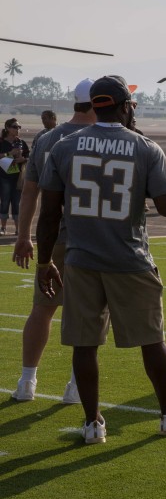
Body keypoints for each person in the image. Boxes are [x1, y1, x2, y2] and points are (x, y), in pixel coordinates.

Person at [35, 75, 166, 443]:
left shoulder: (64, 147)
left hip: (80, 257)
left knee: (84, 343)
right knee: (152, 339)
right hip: (129, 257)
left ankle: (93, 423)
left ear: (95, 105)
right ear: (125, 106)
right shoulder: (145, 147)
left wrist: (45, 261)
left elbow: (48, 214)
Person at [10, 78, 96, 402]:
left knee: (42, 308)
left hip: (52, 237)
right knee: (85, 316)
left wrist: (24, 236)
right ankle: (76, 387)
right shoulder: (100, 138)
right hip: (89, 241)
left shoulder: (47, 138)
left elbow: (29, 190)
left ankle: (26, 382)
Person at [0, 119, 29, 234]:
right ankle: (3, 228)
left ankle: (18, 229)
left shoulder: (21, 142)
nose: (17, 129)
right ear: (7, 128)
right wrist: (9, 154)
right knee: (5, 201)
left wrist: (23, 159)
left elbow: (29, 156)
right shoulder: (2, 142)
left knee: (17, 203)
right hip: (4, 177)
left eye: (19, 127)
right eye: (14, 127)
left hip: (18, 178)